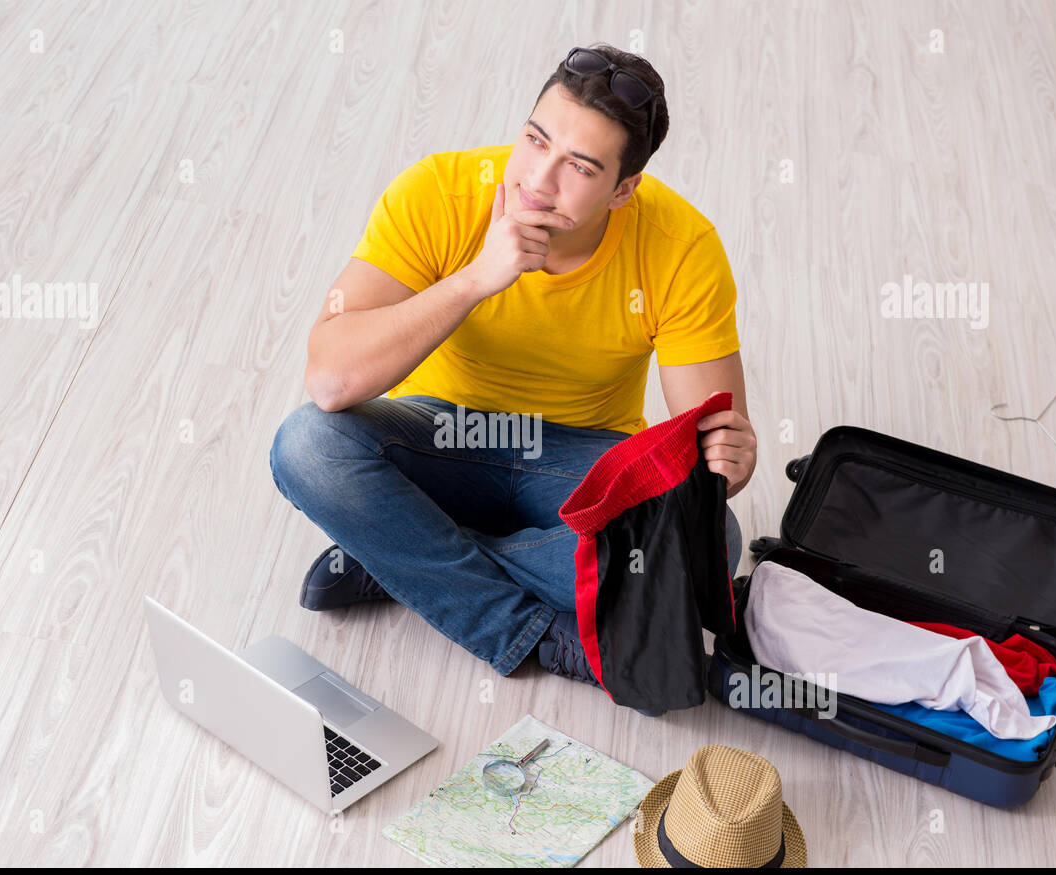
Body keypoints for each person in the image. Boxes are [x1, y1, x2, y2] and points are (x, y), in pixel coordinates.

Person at [270, 44, 756, 711]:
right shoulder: (438, 191)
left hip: (576, 468)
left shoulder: (682, 247)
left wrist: (732, 459)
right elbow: (328, 377)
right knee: (307, 446)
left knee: (713, 543)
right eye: (535, 139)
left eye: (579, 167)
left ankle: (401, 552)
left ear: (623, 190)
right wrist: (476, 278)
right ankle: (534, 633)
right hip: (438, 441)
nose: (539, 179)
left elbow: (702, 469)